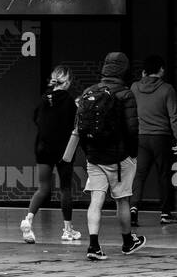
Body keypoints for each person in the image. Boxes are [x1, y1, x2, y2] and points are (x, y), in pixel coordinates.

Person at [63, 51, 145, 261]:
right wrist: (132, 155)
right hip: (119, 158)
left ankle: (93, 246)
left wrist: (89, 152)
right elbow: (132, 129)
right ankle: (128, 242)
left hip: (94, 157)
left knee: (96, 200)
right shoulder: (126, 94)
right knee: (123, 200)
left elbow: (79, 126)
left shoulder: (90, 92)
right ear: (124, 70)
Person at [19, 65, 81, 244]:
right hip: (64, 151)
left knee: (43, 188)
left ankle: (28, 219)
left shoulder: (43, 98)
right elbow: (76, 123)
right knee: (65, 188)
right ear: (67, 81)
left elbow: (36, 119)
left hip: (43, 148)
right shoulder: (69, 101)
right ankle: (67, 230)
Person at [130, 55, 177, 227]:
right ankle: (165, 213)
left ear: (144, 71)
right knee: (163, 175)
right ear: (161, 70)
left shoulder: (135, 88)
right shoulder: (167, 89)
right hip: (161, 137)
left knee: (139, 175)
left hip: (141, 137)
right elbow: (174, 116)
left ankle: (133, 209)